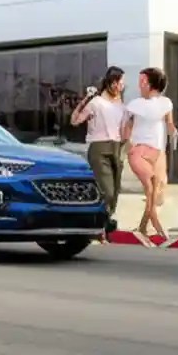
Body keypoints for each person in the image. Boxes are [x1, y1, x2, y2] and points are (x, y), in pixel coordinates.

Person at [70, 66, 127, 238]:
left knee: (115, 192)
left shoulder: (121, 105)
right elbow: (74, 121)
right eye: (117, 82)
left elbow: (123, 130)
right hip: (99, 148)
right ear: (110, 83)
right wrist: (85, 100)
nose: (120, 86)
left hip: (117, 147)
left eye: (122, 82)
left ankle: (103, 225)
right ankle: (100, 225)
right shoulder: (96, 103)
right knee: (107, 191)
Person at [122, 67, 177, 241]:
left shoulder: (165, 103)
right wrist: (128, 143)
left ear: (152, 83)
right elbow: (127, 127)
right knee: (150, 185)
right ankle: (156, 223)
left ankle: (143, 226)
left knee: (158, 190)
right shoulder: (134, 105)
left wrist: (174, 132)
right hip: (139, 150)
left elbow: (169, 123)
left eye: (143, 80)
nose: (140, 84)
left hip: (158, 151)